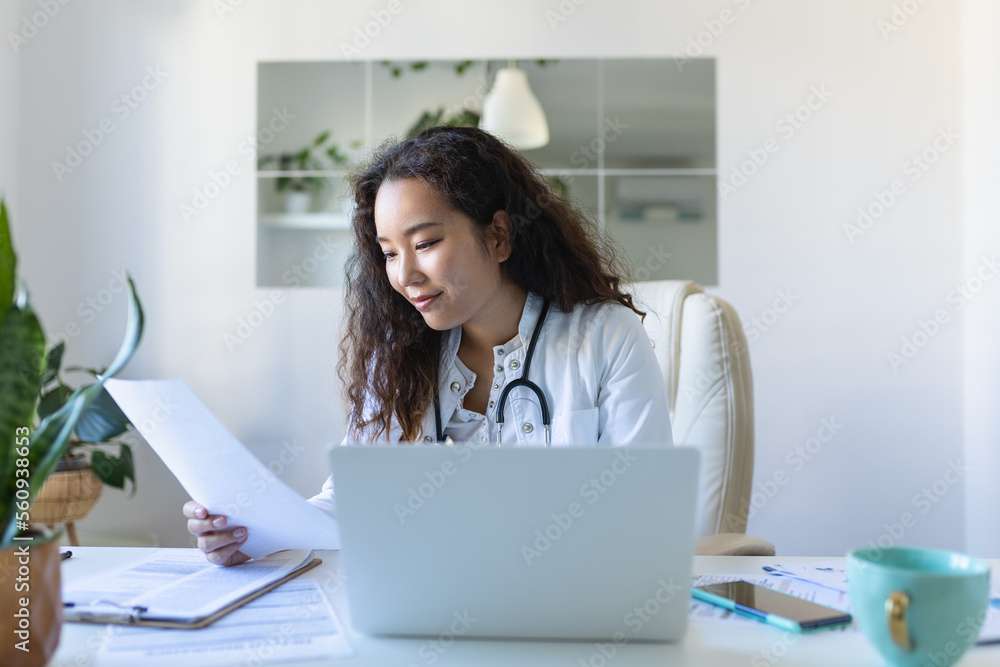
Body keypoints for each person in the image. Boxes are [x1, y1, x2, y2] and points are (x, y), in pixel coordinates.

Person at [185, 126, 672, 566]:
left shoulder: (606, 337)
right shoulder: (398, 355)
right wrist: (252, 535)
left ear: (499, 235)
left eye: (425, 244)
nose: (404, 276)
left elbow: (646, 516)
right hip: (430, 606)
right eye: (389, 252)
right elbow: (353, 502)